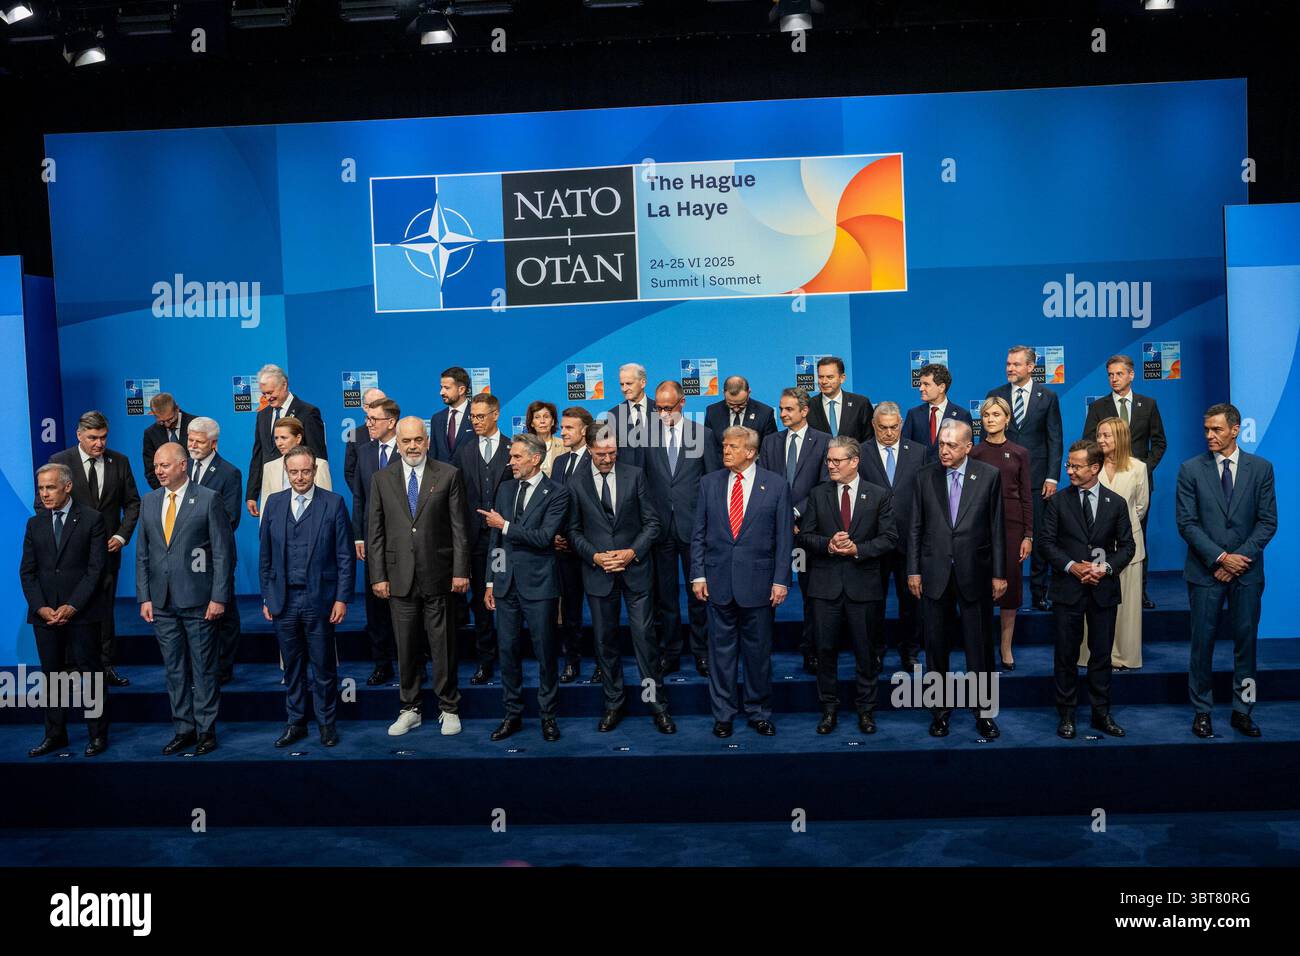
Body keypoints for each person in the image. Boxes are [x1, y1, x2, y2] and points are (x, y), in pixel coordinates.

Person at [1176, 403, 1276, 739]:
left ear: (1235, 430)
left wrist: (1237, 561)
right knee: (1201, 645)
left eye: (1216, 429)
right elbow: (1187, 523)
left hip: (1246, 574)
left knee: (1246, 645)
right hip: (1204, 573)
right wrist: (1220, 558)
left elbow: (1267, 522)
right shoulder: (1190, 470)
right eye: (1206, 429)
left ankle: (1243, 710)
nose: (1209, 435)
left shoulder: (1261, 469)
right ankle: (1202, 711)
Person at [566, 422, 674, 734]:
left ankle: (657, 705)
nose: (607, 459)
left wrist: (631, 553)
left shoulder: (635, 475)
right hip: (598, 573)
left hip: (635, 570)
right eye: (601, 453)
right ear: (589, 449)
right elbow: (573, 530)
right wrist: (596, 557)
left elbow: (652, 523)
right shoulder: (575, 482)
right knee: (605, 642)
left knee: (645, 641)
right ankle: (613, 704)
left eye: (612, 453)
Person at [368, 417, 471, 737]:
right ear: (397, 443)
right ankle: (409, 708)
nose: (412, 446)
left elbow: (459, 528)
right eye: (406, 441)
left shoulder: (449, 474)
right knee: (406, 647)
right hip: (398, 577)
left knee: (443, 646)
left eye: (418, 440)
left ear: (427, 441)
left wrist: (460, 570)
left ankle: (449, 708)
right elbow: (375, 532)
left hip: (439, 575)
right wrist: (378, 575)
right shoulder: (381, 479)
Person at [690, 426, 793, 738]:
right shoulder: (709, 483)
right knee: (720, 655)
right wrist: (698, 574)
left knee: (758, 655)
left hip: (759, 585)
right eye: (724, 445)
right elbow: (698, 533)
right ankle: (723, 715)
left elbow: (784, 539)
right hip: (717, 582)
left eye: (732, 447)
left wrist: (781, 580)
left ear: (750, 452)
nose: (726, 451)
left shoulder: (776, 485)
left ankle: (758, 712)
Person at [907, 419, 1005, 739]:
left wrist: (999, 573)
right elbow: (915, 528)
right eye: (941, 444)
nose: (944, 450)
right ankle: (939, 713)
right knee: (936, 647)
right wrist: (913, 570)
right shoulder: (924, 476)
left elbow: (997, 529)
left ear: (967, 447)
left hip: (975, 573)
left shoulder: (989, 476)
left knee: (980, 648)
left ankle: (984, 713)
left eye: (952, 445)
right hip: (934, 574)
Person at [136, 442, 233, 756]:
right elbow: (143, 554)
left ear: (182, 465)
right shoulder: (149, 501)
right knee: (174, 669)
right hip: (161, 603)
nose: (158, 471)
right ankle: (183, 729)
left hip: (199, 601)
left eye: (164, 465)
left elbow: (222, 553)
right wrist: (144, 597)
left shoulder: (208, 499)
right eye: (156, 466)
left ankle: (206, 730)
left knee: (203, 669)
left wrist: (218, 597)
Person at [795, 437, 896, 735]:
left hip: (863, 586)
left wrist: (857, 549)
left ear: (854, 461)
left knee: (866, 653)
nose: (831, 465)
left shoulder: (878, 495)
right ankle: (828, 709)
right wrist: (828, 544)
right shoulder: (818, 494)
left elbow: (889, 538)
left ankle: (866, 711)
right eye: (829, 460)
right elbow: (805, 536)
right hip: (825, 587)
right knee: (825, 651)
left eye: (837, 460)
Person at [259, 446, 355, 748]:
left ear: (314, 471)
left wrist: (341, 598)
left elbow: (345, 556)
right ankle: (296, 723)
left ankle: (327, 724)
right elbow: (266, 556)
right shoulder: (274, 504)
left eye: (305, 471)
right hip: (283, 601)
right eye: (294, 472)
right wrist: (267, 596)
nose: (300, 477)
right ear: (286, 473)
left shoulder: (334, 503)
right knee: (292, 667)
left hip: (321, 600)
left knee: (323, 667)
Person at [1039, 440, 1135, 739]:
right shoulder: (1057, 502)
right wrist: (1072, 566)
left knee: (1101, 655)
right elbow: (1046, 544)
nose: (1069, 471)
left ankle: (1100, 713)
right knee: (1065, 655)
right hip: (1067, 589)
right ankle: (1066, 714)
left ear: (1094, 468)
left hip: (1102, 590)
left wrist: (1104, 569)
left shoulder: (1116, 503)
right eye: (1068, 465)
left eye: (1076, 466)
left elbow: (1127, 546)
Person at [482, 434, 571, 743]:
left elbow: (544, 538)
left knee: (545, 653)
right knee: (507, 653)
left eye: (517, 457)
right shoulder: (506, 489)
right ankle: (512, 715)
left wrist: (504, 525)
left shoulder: (557, 493)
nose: (511, 462)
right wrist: (491, 581)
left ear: (535, 459)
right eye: (511, 457)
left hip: (539, 586)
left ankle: (548, 717)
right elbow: (496, 542)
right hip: (506, 585)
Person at [45, 410, 141, 689]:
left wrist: (122, 535)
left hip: (108, 554)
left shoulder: (119, 461)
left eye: (103, 437)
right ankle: (73, 669)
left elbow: (132, 503)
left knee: (105, 612)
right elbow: (45, 506)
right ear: (79, 435)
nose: (99, 443)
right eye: (93, 438)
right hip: (71, 557)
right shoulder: (60, 462)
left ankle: (105, 667)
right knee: (71, 611)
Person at [21, 463, 110, 757]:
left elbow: (96, 570)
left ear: (67, 487)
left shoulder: (92, 520)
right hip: (45, 616)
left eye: (50, 487)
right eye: (41, 488)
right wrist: (41, 607)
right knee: (52, 676)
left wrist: (72, 605)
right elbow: (28, 572)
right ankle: (55, 734)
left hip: (82, 612)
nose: (44, 494)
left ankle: (97, 735)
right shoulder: (35, 524)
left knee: (91, 675)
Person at [642, 379, 721, 676]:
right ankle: (671, 651)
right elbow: (641, 483)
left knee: (699, 595)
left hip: (695, 528)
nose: (663, 413)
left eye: (668, 407)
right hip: (660, 528)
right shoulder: (644, 437)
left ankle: (701, 652)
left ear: (683, 402)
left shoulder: (703, 435)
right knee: (665, 597)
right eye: (658, 408)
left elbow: (713, 482)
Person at [1084, 354, 1167, 608]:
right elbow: (1088, 443)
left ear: (1131, 375)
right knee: (1102, 536)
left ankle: (1139, 591)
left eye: (1119, 374)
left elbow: (1159, 443)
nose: (1114, 378)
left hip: (1137, 484)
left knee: (1136, 536)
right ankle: (1100, 585)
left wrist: (1141, 470)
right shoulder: (1098, 407)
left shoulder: (1148, 405)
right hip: (1105, 480)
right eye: (1110, 374)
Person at [758, 386, 829, 673]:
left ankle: (811, 651)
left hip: (807, 529)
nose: (783, 414)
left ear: (804, 410)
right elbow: (762, 483)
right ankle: (762, 655)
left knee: (812, 596)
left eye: (789, 409)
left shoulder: (824, 441)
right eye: (781, 409)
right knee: (767, 595)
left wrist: (795, 513)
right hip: (772, 530)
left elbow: (824, 486)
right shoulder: (770, 442)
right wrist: (782, 516)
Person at [987, 345, 1063, 611]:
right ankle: (1000, 591)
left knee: (1038, 538)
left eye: (1016, 364)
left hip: (1037, 480)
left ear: (1031, 367)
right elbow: (987, 440)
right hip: (1002, 481)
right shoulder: (995, 395)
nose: (1010, 368)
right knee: (1001, 537)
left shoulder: (1048, 397)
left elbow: (1055, 439)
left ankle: (1039, 592)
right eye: (1008, 364)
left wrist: (1052, 477)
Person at [858, 401, 925, 671]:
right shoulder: (860, 452)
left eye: (894, 427)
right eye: (883, 427)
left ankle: (910, 651)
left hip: (909, 540)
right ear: (873, 425)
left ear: (901, 424)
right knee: (874, 602)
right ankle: (875, 651)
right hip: (873, 540)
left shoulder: (919, 452)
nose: (888, 433)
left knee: (911, 602)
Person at [969, 396, 1033, 670]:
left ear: (1007, 418)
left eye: (996, 414)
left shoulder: (1020, 453)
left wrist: (1028, 534)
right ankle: (982, 644)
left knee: (1010, 588)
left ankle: (1006, 647)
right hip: (980, 527)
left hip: (1012, 526)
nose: (990, 419)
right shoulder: (973, 453)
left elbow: (1026, 496)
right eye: (986, 415)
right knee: (980, 587)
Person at [1079, 417, 1148, 670]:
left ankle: (1124, 656)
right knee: (1094, 604)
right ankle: (1092, 655)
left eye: (1106, 435)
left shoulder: (1138, 468)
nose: (1100, 440)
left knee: (1127, 608)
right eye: (1098, 435)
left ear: (1120, 437)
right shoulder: (1091, 467)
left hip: (1129, 547)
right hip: (1096, 548)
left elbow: (1140, 506)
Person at [453, 392, 512, 684]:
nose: (475, 421)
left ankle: (512, 659)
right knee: (481, 604)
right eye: (472, 417)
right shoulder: (463, 452)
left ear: (495, 415)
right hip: (476, 541)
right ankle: (486, 661)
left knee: (511, 602)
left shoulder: (514, 449)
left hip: (509, 540)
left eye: (480, 416)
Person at [185, 417, 244, 685]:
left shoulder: (229, 473)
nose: (193, 445)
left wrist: (193, 532)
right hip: (184, 556)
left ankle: (223, 668)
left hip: (216, 555)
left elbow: (230, 518)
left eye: (199, 441)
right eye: (190, 440)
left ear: (214, 443)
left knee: (225, 612)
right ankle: (197, 667)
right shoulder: (181, 468)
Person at [349, 396, 400, 686]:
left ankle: (411, 662)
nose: (367, 424)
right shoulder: (365, 452)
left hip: (403, 543)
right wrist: (359, 536)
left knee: (404, 605)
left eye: (373, 419)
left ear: (391, 422)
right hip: (372, 541)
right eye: (367, 418)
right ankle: (382, 664)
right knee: (375, 606)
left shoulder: (407, 450)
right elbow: (359, 497)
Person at [246, 363, 327, 519]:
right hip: (271, 489)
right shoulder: (262, 415)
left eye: (270, 392)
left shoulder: (308, 412)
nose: (267, 398)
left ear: (284, 385)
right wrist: (252, 493)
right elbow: (258, 455)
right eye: (264, 394)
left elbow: (317, 455)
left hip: (301, 491)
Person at [551, 406, 596, 684]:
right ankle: (572, 661)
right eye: (563, 427)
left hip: (592, 550)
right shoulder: (559, 462)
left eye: (569, 428)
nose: (563, 432)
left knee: (600, 612)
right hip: (564, 550)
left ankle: (603, 665)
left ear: (584, 431)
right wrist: (555, 535)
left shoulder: (597, 459)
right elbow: (554, 504)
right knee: (569, 611)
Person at [257, 416, 333, 516]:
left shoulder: (320, 465)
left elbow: (327, 503)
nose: (279, 443)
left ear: (298, 438)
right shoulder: (269, 467)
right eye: (276, 438)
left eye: (284, 438)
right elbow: (265, 506)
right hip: (279, 523)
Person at [903, 363, 972, 462]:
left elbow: (967, 452)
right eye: (920, 384)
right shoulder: (913, 414)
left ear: (941, 387)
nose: (921, 388)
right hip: (920, 470)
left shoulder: (962, 415)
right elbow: (905, 448)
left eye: (926, 384)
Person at [805, 356, 873, 440]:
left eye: (830, 377)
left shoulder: (860, 404)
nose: (824, 382)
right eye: (821, 377)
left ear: (842, 378)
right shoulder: (809, 406)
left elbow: (869, 440)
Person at [705, 375, 777, 454]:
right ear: (724, 393)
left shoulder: (765, 413)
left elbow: (770, 448)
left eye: (741, 404)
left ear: (749, 392)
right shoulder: (713, 412)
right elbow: (709, 447)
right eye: (731, 404)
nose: (736, 409)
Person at [142, 393, 196, 491]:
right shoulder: (150, 433)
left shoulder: (195, 424)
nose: (167, 425)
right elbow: (150, 471)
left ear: (177, 409)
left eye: (170, 419)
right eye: (161, 421)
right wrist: (167, 492)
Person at [343, 386, 386, 506]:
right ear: (365, 407)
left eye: (385, 403)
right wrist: (364, 495)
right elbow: (350, 472)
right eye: (377, 404)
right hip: (367, 502)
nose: (382, 407)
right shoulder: (353, 435)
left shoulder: (398, 432)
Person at [604, 362, 652, 467]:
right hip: (627, 475)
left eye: (629, 383)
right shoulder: (613, 414)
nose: (624, 389)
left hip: (657, 476)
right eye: (622, 384)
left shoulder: (660, 410)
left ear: (643, 383)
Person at [430, 367, 475, 464]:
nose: (441, 392)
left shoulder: (477, 415)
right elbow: (433, 456)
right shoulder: (436, 419)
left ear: (461, 390)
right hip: (442, 474)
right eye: (441, 387)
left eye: (447, 388)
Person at [525, 399, 566, 476]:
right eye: (537, 417)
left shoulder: (565, 445)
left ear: (553, 421)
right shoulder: (525, 446)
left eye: (546, 417)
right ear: (532, 423)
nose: (542, 421)